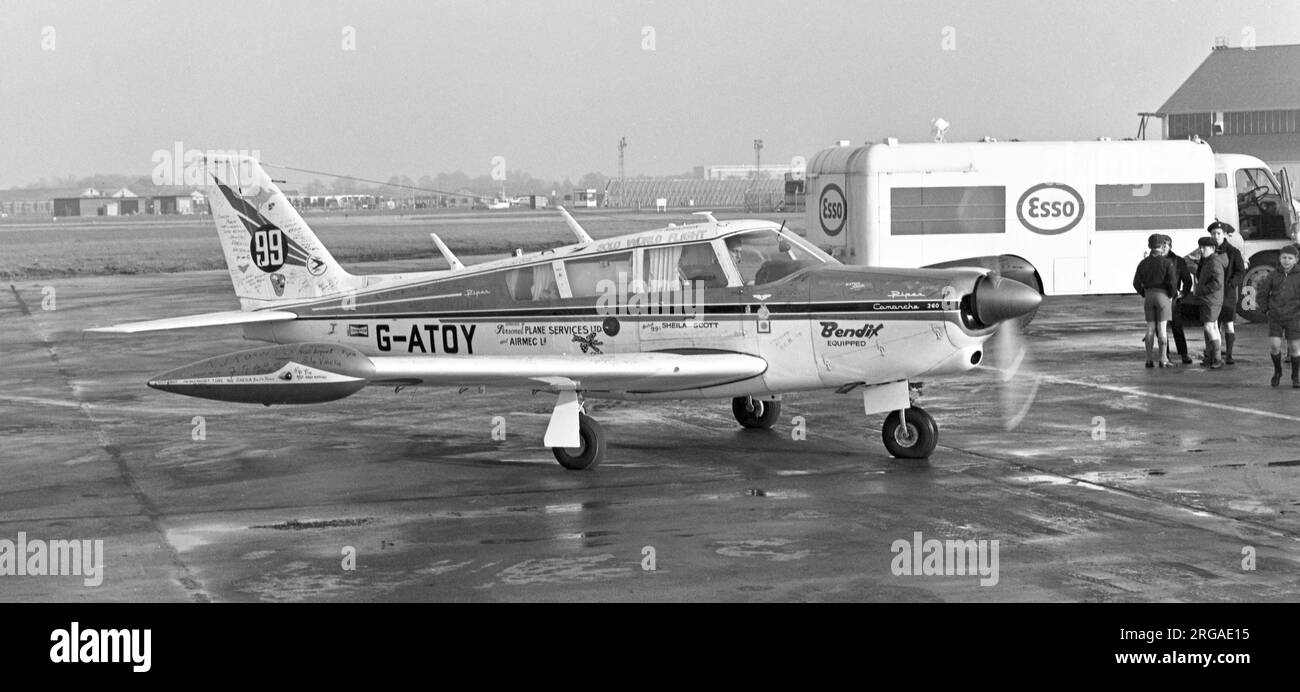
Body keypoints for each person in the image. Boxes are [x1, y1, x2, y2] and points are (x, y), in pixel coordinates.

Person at [1133, 233, 1178, 367]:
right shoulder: (1167, 263)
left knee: (1150, 328)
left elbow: (1136, 282)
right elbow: (1173, 283)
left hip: (1149, 296)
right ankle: (1163, 359)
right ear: (1162, 246)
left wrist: (1144, 293)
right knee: (1162, 329)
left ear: (1149, 246)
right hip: (1163, 296)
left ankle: (1148, 359)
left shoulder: (1143, 263)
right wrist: (1170, 295)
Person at [1259, 244, 1300, 387]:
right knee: (1274, 346)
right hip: (1275, 316)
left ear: (1296, 260)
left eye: (1290, 258)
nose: (1286, 261)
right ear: (1280, 258)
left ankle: (1295, 376)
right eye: (1284, 257)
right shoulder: (1273, 275)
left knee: (1295, 349)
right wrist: (1266, 310)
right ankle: (1277, 371)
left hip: (1294, 317)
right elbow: (1262, 293)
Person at [1209, 221, 1246, 364]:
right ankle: (1213, 353)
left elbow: (1240, 271)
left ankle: (1229, 354)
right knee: (1213, 324)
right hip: (1213, 293)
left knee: (1228, 324)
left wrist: (1231, 283)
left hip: (1228, 293)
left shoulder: (1233, 252)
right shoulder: (1208, 250)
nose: (1215, 236)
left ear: (1224, 235)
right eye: (1213, 233)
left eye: (1218, 233)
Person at [1188, 236, 1227, 368]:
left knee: (1209, 327)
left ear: (1212, 248)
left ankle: (1216, 359)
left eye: (1204, 247)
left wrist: (1201, 290)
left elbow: (1217, 283)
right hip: (1211, 299)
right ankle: (1213, 357)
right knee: (1213, 327)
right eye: (1200, 247)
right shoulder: (1209, 261)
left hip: (1211, 299)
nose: (1201, 249)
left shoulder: (1213, 262)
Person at [1163, 237, 1197, 364]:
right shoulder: (1155, 260)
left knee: (1177, 327)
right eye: (1162, 245)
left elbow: (1187, 280)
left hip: (1173, 299)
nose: (1163, 247)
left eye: (1166, 245)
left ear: (1170, 246)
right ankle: (1164, 354)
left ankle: (1184, 354)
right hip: (1160, 297)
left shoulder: (1178, 261)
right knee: (1161, 329)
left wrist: (1183, 294)